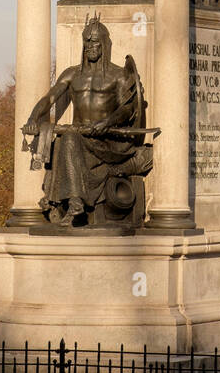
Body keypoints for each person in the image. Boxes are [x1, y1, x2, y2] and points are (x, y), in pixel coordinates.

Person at [22, 16, 150, 227]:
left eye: (95, 42)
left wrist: (107, 122)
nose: (90, 47)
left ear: (105, 44)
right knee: (66, 139)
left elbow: (128, 109)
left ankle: (73, 202)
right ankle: (74, 202)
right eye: (87, 42)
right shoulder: (72, 74)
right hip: (79, 135)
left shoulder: (118, 75)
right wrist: (32, 118)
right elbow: (49, 98)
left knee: (68, 139)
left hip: (107, 139)